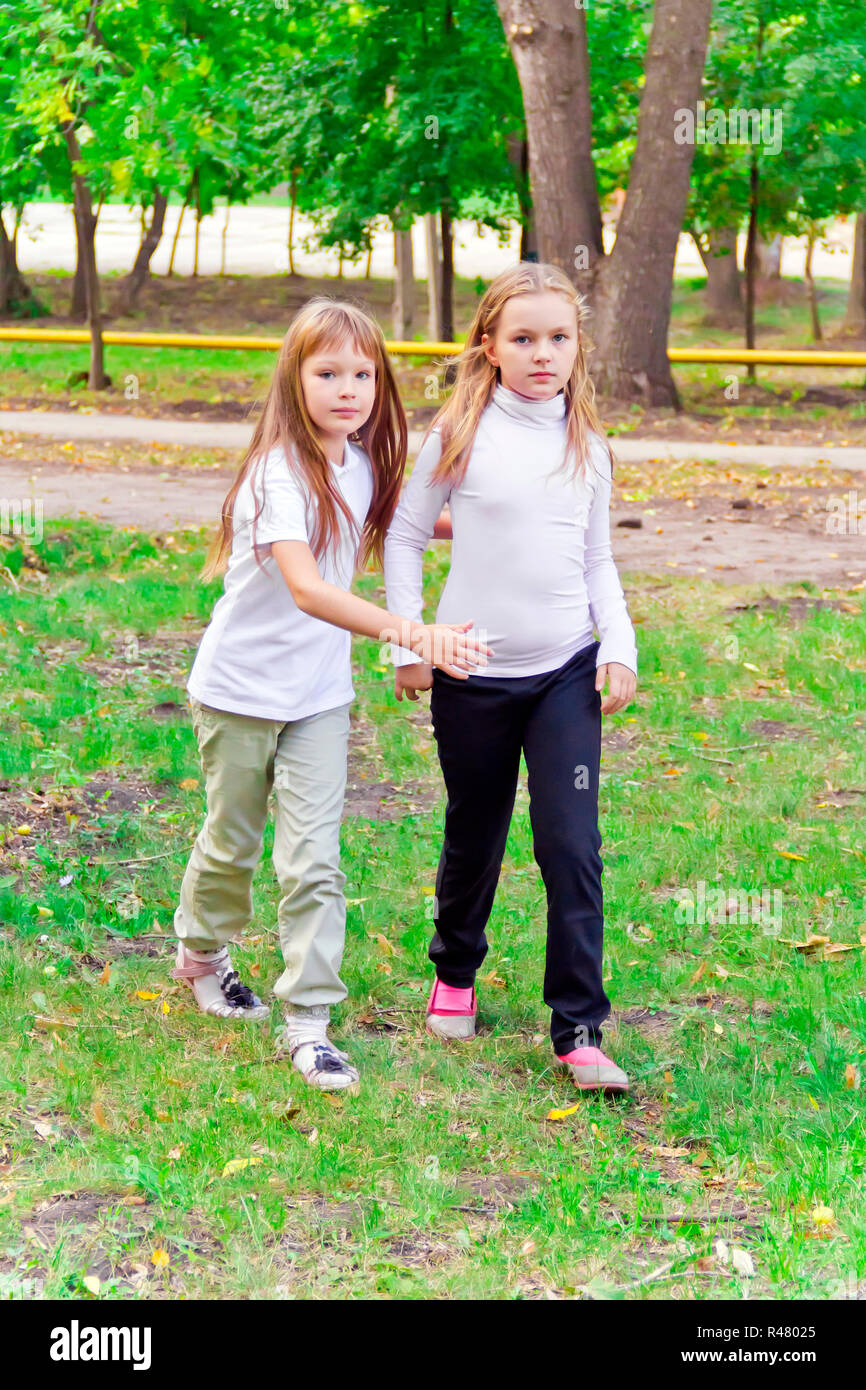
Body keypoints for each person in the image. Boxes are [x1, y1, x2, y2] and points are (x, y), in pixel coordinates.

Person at [172, 297, 489, 1091]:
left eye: (363, 375)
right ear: (295, 378)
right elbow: (309, 589)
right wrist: (413, 635)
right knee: (233, 842)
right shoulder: (277, 471)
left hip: (317, 697)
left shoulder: (363, 462)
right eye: (328, 373)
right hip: (239, 691)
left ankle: (309, 1024)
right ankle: (202, 954)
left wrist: (510, 523)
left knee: (314, 860)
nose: (348, 389)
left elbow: (408, 524)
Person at [384, 262, 637, 1094]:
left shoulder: (587, 445)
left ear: (577, 345)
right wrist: (410, 641)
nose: (542, 353)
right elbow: (405, 536)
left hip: (565, 672)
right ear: (490, 346)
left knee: (572, 844)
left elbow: (598, 558)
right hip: (474, 672)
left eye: (558, 337)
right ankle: (455, 971)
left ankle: (579, 1028)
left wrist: (618, 644)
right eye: (523, 338)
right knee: (477, 830)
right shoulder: (459, 434)